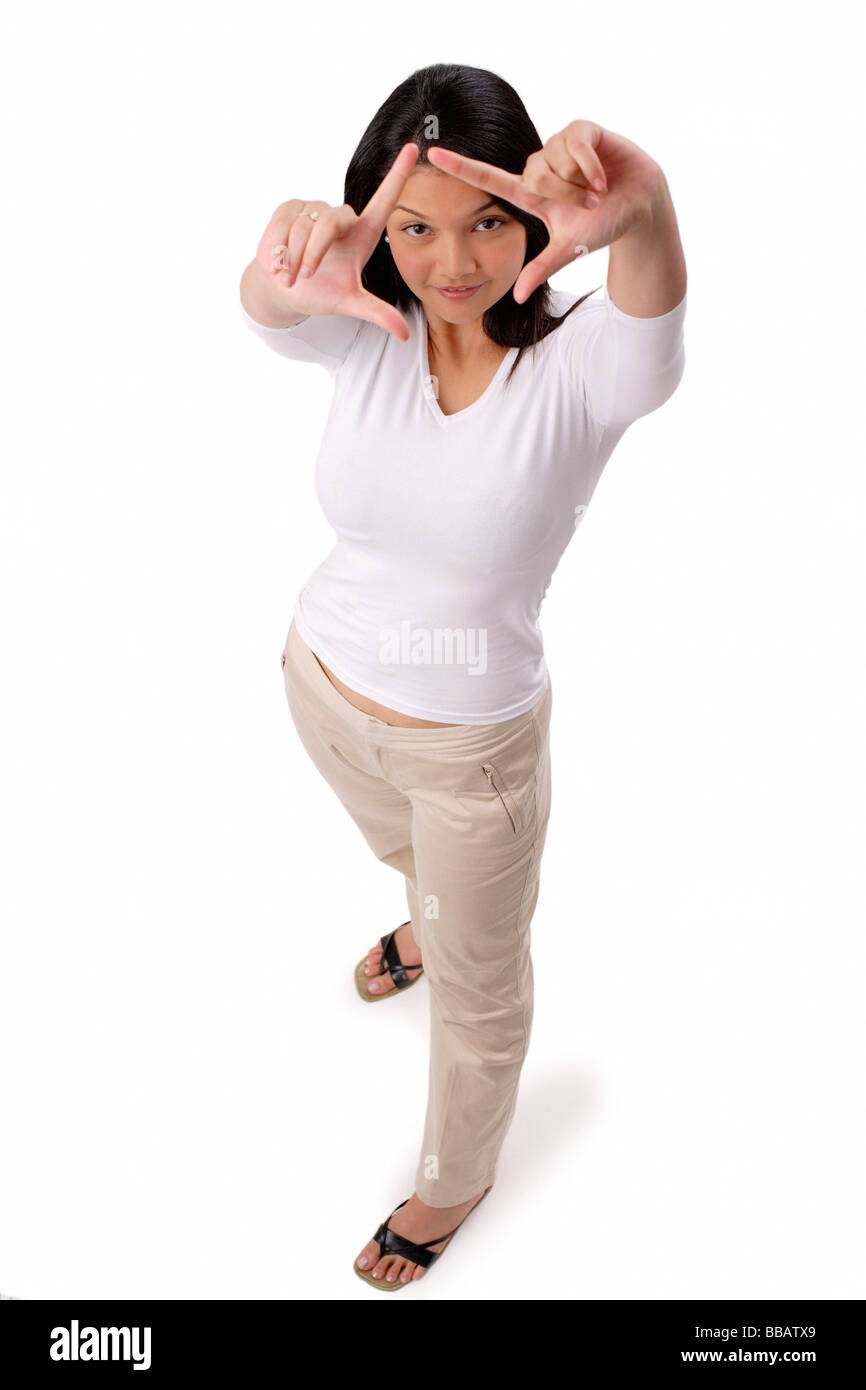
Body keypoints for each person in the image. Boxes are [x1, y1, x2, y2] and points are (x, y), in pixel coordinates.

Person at [239, 62, 687, 1291]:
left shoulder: (584, 366)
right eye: (416, 226)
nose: (450, 261)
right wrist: (282, 253)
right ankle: (430, 914)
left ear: (533, 210)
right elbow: (263, 305)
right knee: (418, 872)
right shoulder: (366, 331)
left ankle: (456, 1177)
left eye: (485, 219)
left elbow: (651, 321)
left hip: (469, 752)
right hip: (320, 690)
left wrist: (644, 210)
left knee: (482, 995)